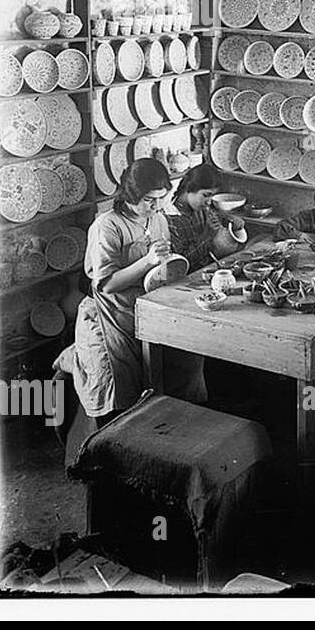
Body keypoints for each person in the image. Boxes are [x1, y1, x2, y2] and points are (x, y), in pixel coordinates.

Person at [59, 158, 204, 428]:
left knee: (186, 358)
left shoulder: (158, 218)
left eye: (162, 198)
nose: (157, 206)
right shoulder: (107, 225)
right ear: (131, 195)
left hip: (145, 306)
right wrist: (147, 261)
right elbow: (105, 285)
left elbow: (161, 265)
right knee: (116, 382)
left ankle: (169, 432)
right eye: (150, 200)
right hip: (108, 313)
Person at [166, 164, 247, 269]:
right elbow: (182, 261)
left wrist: (231, 223)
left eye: (212, 196)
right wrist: (208, 235)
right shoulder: (170, 218)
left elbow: (219, 223)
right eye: (205, 195)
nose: (209, 202)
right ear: (189, 189)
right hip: (190, 275)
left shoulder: (202, 208)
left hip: (211, 265)